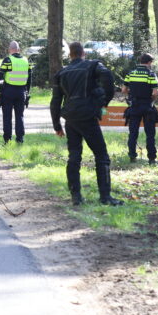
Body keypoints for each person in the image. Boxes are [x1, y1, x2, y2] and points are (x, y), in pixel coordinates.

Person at [51, 42, 122, 206]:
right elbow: (107, 76)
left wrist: (57, 125)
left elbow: (55, 101)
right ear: (83, 53)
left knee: (74, 156)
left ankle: (76, 196)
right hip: (88, 116)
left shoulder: (62, 73)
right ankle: (105, 196)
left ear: (70, 55)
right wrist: (104, 100)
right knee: (102, 156)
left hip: (71, 118)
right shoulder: (93, 65)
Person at [122, 54, 158, 164]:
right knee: (150, 134)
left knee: (133, 133)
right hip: (147, 107)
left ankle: (132, 156)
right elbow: (155, 92)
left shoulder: (131, 73)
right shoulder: (151, 74)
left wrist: (131, 95)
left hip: (134, 106)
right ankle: (151, 158)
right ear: (149, 62)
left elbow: (124, 90)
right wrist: (151, 100)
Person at [0, 40, 32, 143]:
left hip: (8, 91)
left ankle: (7, 139)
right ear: (19, 50)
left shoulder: (8, 60)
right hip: (21, 91)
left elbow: (0, 76)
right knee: (19, 116)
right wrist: (27, 92)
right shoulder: (26, 61)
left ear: (9, 50)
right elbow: (29, 79)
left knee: (7, 116)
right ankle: (20, 139)